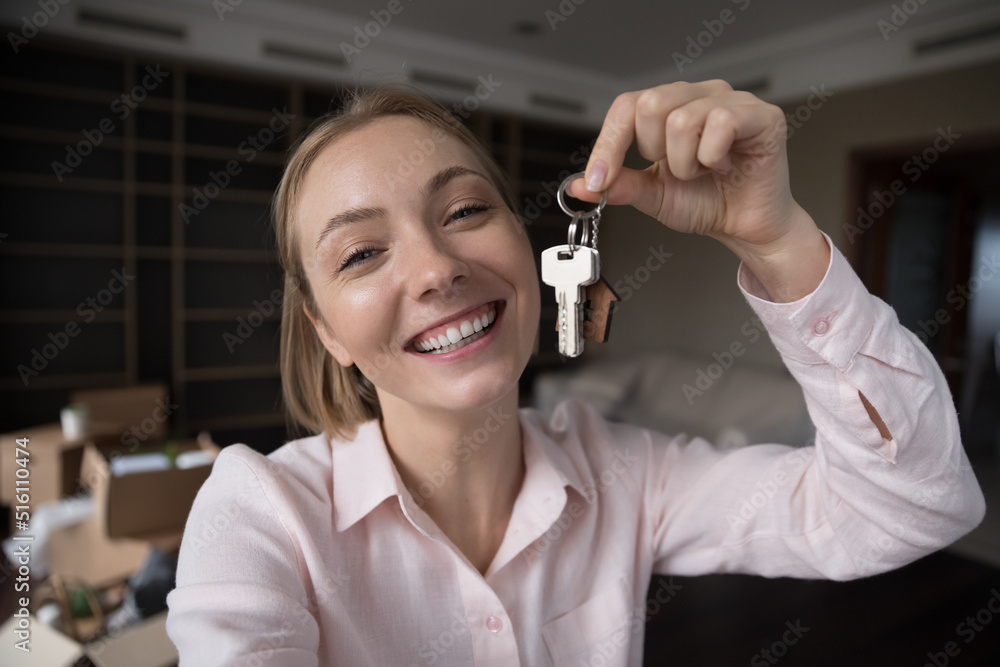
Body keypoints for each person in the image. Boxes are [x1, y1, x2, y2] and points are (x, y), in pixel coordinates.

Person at [165, 80, 986, 666]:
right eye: (362, 252)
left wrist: (780, 245)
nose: (436, 268)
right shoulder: (258, 516)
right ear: (326, 332)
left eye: (464, 211)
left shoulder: (630, 475)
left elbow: (915, 503)